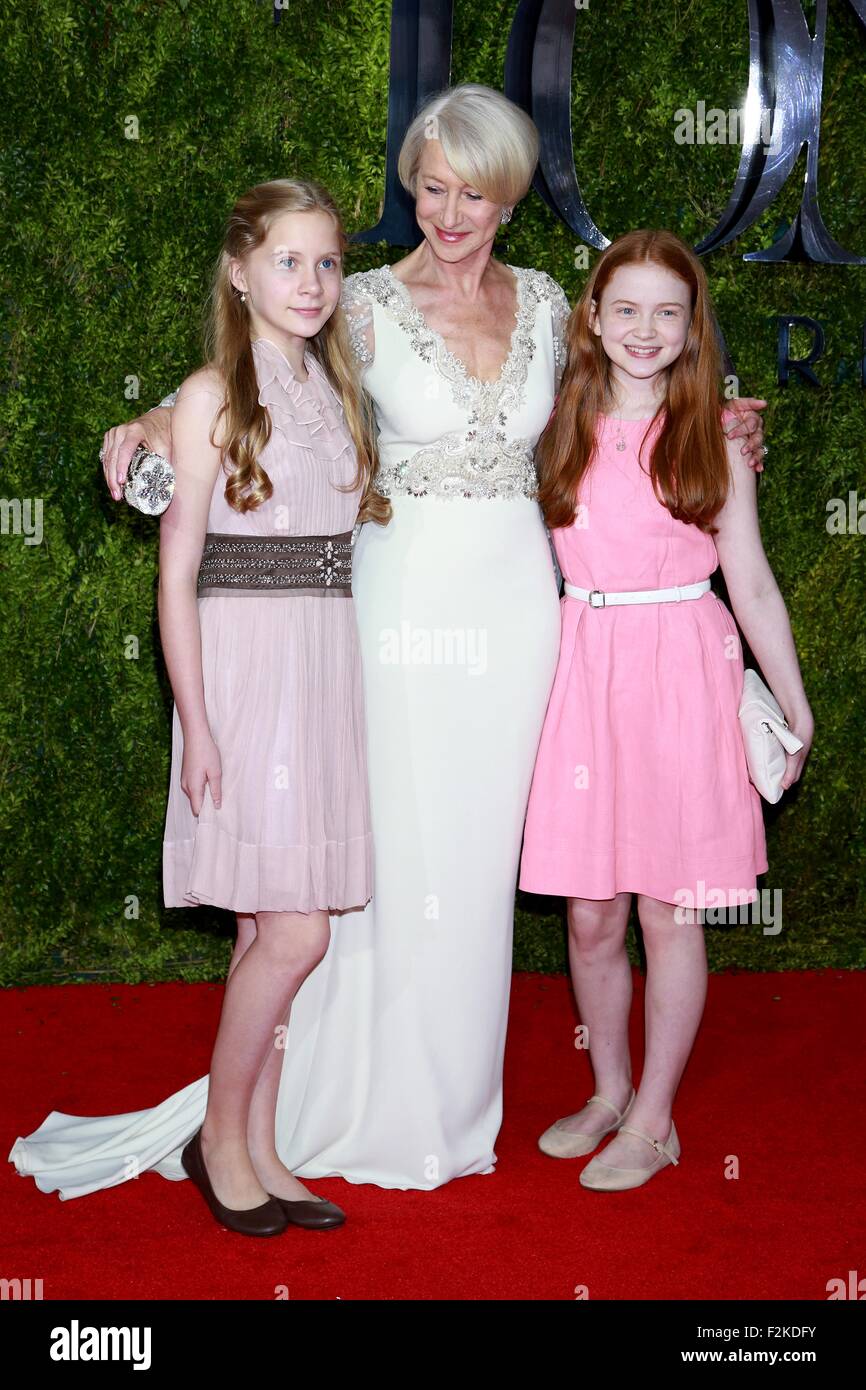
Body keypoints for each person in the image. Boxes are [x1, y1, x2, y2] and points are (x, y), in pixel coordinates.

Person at [45, 86, 766, 1195]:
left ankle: (451, 1106)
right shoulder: (359, 300)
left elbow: (637, 379)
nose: (447, 210)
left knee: (473, 867)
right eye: (428, 186)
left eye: (471, 189)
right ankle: (324, 1103)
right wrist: (148, 423)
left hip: (521, 618)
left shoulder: (544, 304)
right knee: (378, 857)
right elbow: (253, 361)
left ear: (508, 195)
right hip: (388, 614)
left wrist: (725, 417)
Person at [9, 177, 391, 1231]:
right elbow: (173, 574)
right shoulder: (211, 393)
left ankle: (260, 1142)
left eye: (325, 262)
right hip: (242, 669)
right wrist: (199, 722)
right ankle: (217, 1136)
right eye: (286, 261)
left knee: (269, 923)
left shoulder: (332, 386)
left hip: (320, 663)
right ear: (238, 270)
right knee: (298, 931)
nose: (309, 282)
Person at [518, 228, 812, 1190]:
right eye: (627, 309)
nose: (646, 330)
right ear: (593, 320)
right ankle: (607, 1090)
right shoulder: (553, 420)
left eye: (669, 313)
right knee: (592, 916)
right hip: (586, 675)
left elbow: (753, 583)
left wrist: (796, 708)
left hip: (684, 670)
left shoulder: (715, 435)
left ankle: (655, 1118)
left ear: (693, 331)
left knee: (670, 914)